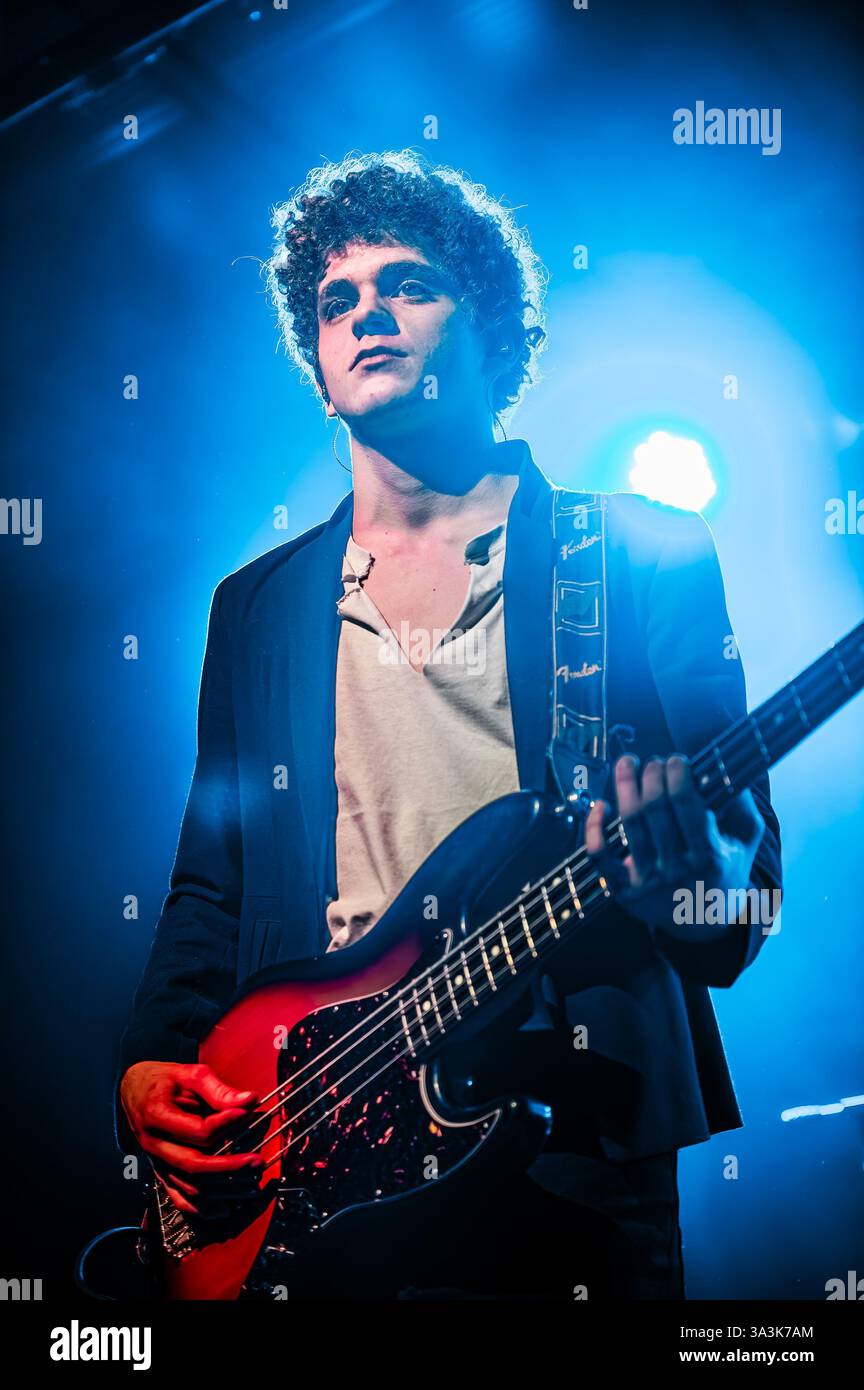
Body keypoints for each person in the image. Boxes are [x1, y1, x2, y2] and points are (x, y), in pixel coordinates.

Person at [116, 149, 782, 1300]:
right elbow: (209, 887)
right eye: (337, 301)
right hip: (309, 1150)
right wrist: (151, 1062)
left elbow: (742, 890)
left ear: (495, 329)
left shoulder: (641, 553)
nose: (367, 310)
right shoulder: (256, 607)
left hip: (571, 1133)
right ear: (319, 370)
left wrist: (693, 869)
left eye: (409, 284)